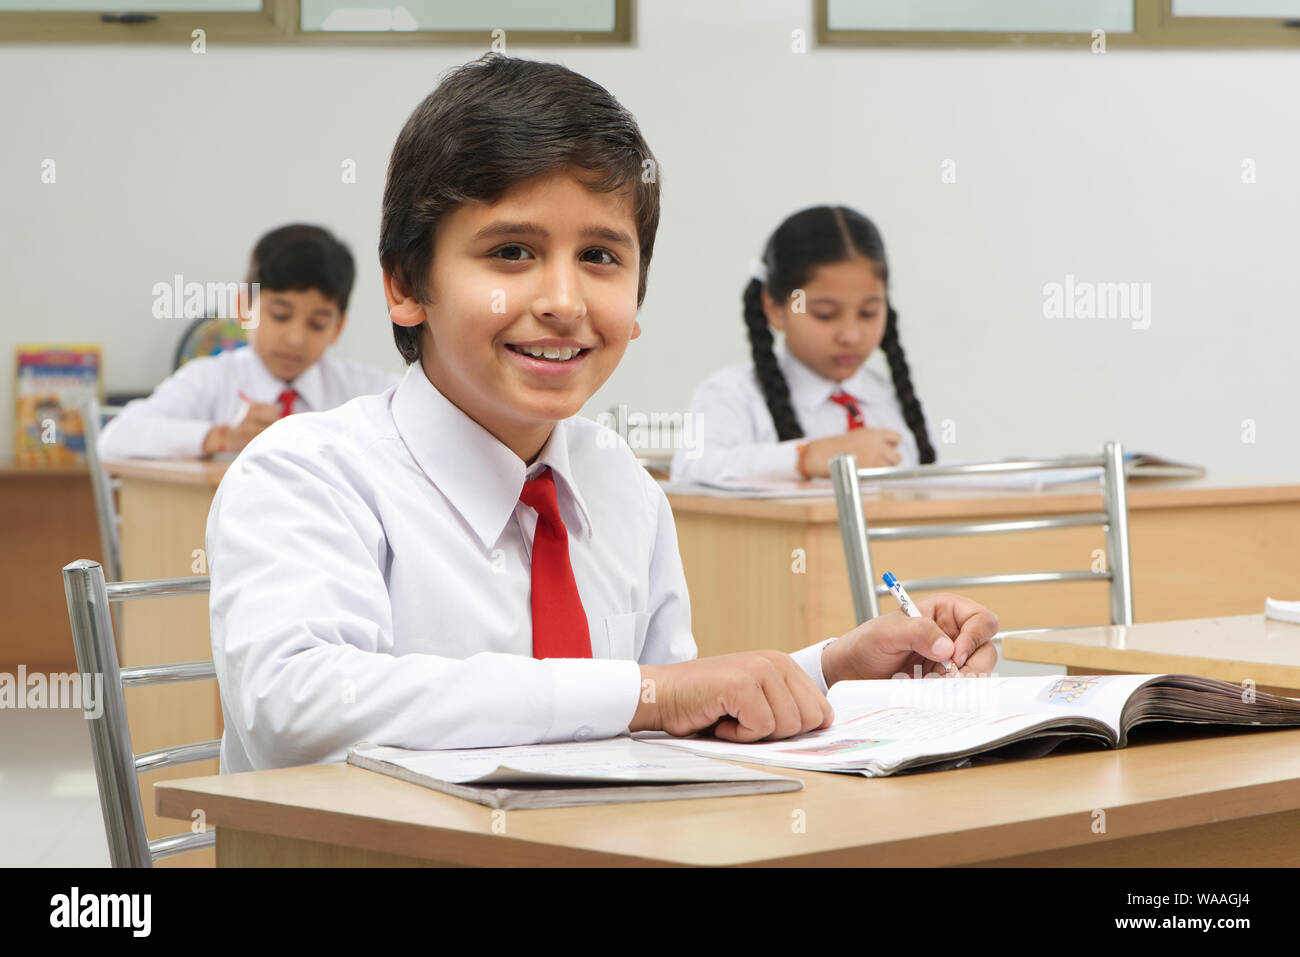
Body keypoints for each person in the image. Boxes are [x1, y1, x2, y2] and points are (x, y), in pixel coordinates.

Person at [206, 54, 998, 772]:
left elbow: (659, 719)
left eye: (600, 257)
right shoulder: (307, 472)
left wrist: (832, 669)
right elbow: (296, 712)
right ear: (406, 285)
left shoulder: (617, 482)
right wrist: (651, 694)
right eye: (511, 252)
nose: (562, 301)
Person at [671, 207, 936, 484]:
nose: (850, 336)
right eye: (825, 314)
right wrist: (806, 457)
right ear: (774, 309)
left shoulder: (895, 401)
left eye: (868, 313)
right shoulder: (734, 394)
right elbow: (690, 469)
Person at [97, 224, 397, 459]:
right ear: (244, 309)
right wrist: (222, 437)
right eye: (279, 315)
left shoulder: (362, 390)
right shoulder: (211, 379)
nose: (295, 339)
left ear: (337, 328)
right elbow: (115, 437)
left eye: (317, 324)